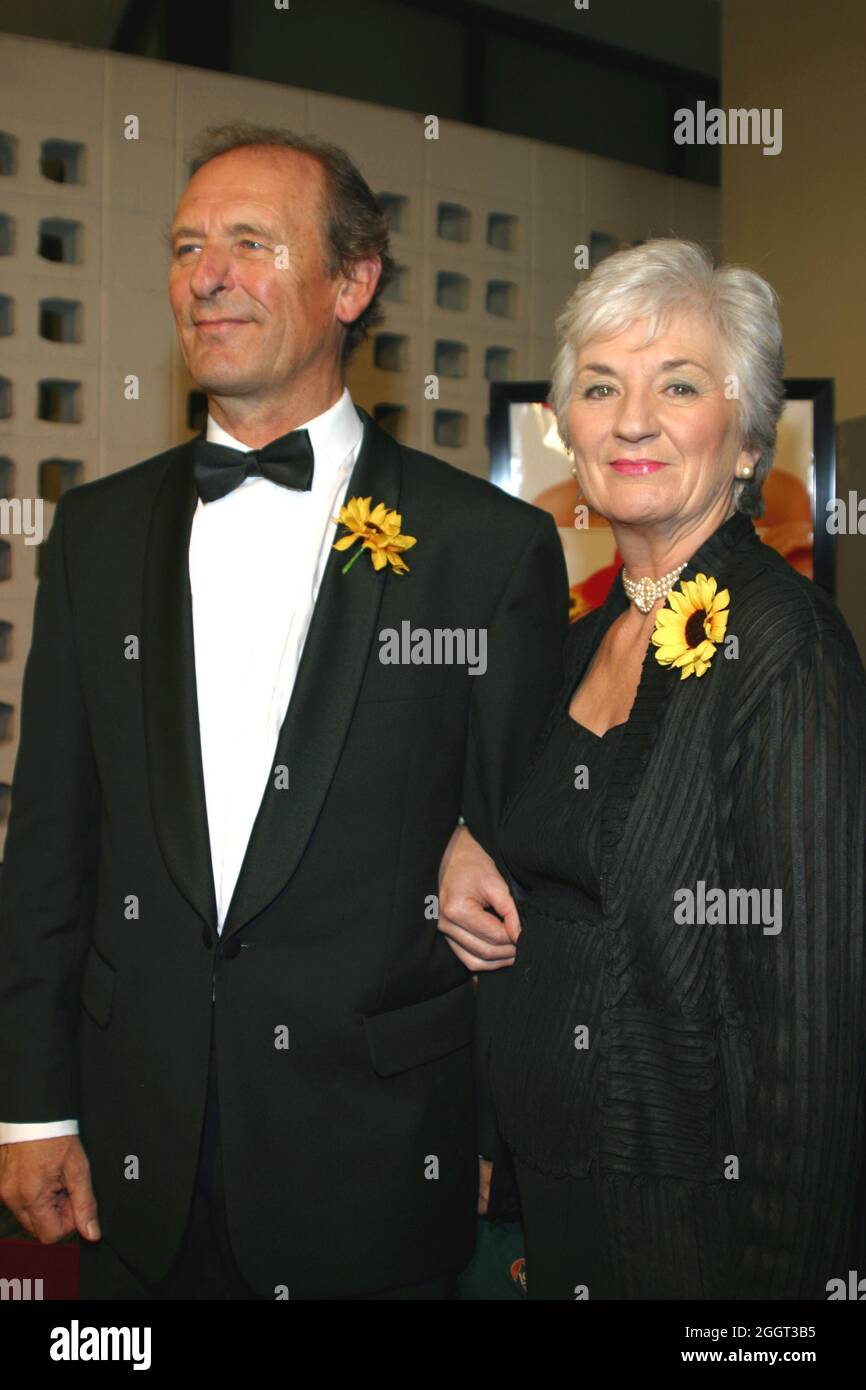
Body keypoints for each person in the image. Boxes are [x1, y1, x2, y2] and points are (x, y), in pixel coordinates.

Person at [0, 123, 569, 1300]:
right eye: (186, 245)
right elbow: (50, 845)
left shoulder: (486, 550)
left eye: (251, 243)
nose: (205, 273)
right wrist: (28, 1106)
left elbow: (525, 871)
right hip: (128, 1152)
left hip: (375, 1157)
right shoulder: (95, 536)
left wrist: (492, 1134)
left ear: (352, 281)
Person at [437, 239, 866, 1300]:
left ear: (743, 439)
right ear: (566, 429)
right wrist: (464, 846)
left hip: (699, 1237)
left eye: (677, 384)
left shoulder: (783, 650)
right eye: (598, 386)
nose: (631, 418)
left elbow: (810, 1034)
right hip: (563, 1201)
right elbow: (551, 857)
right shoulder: (587, 641)